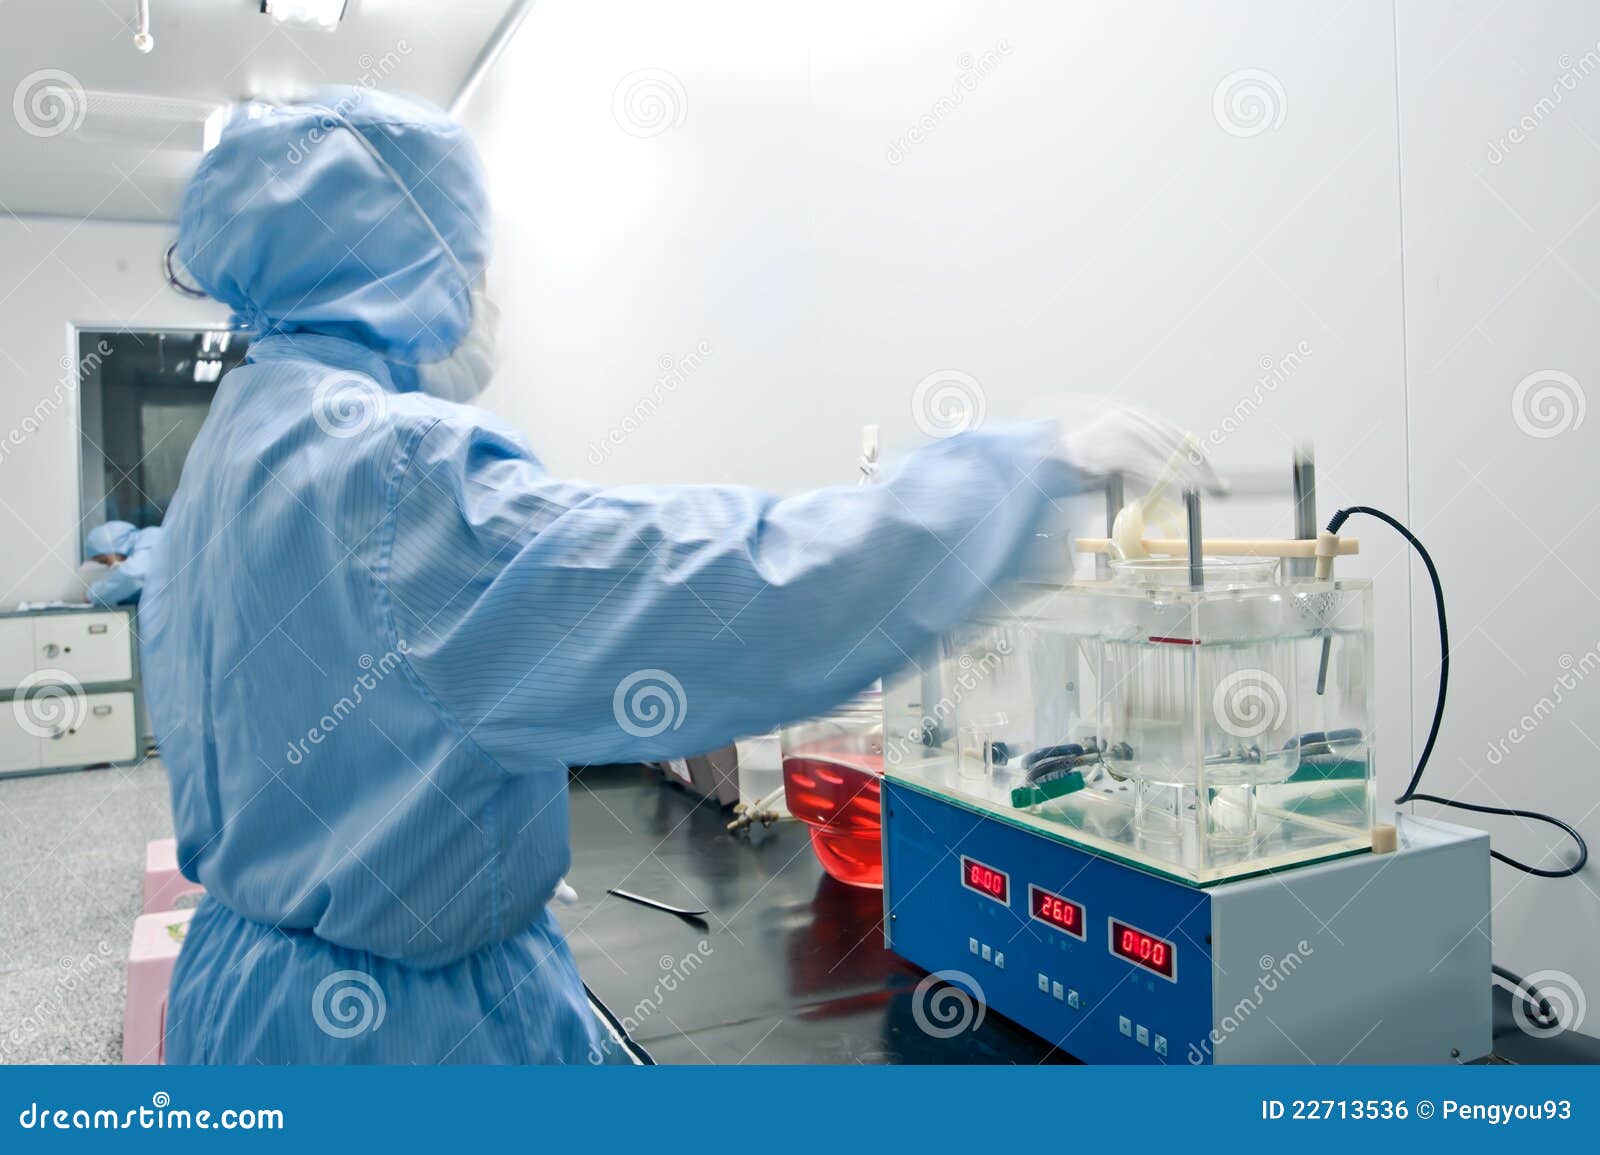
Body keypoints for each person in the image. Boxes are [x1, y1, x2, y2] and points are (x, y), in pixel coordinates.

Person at [140, 87, 1217, 1064]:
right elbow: (732, 588)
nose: (484, 298)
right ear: (388, 261)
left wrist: (449, 853)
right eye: (467, 265)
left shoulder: (237, 451)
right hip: (395, 1038)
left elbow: (338, 710)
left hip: (245, 997)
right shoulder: (394, 472)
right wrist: (1013, 476)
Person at [83, 520, 162, 606]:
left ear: (114, 546)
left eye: (105, 561)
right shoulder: (141, 546)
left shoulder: (151, 540)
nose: (109, 566)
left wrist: (93, 595)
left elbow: (131, 576)